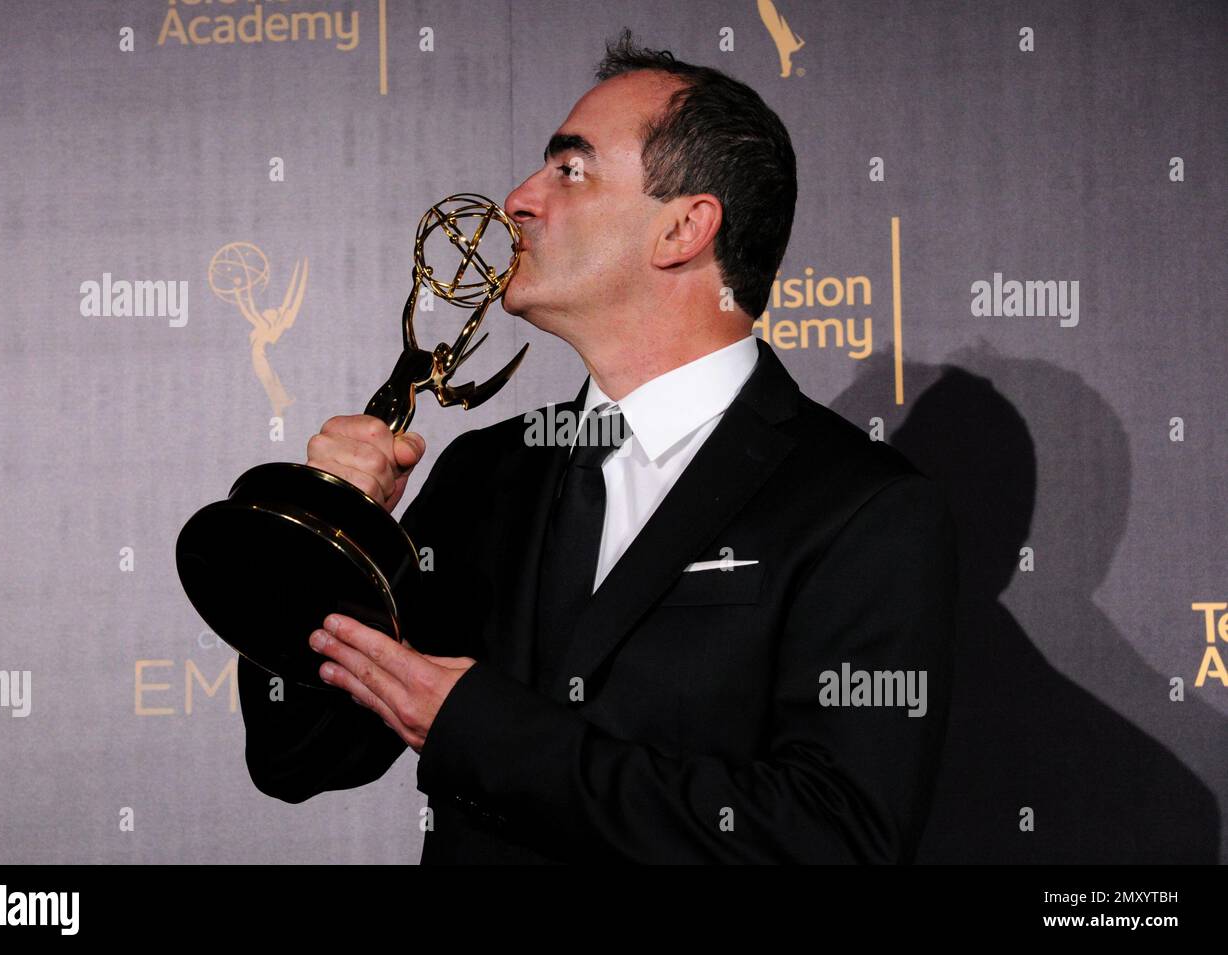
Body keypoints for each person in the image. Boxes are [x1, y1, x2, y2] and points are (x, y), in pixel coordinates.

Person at [237, 29, 959, 864]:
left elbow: (835, 839)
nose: (519, 198)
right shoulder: (483, 474)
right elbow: (299, 755)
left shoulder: (862, 510)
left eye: (570, 170)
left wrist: (486, 733)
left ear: (683, 228)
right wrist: (321, 543)